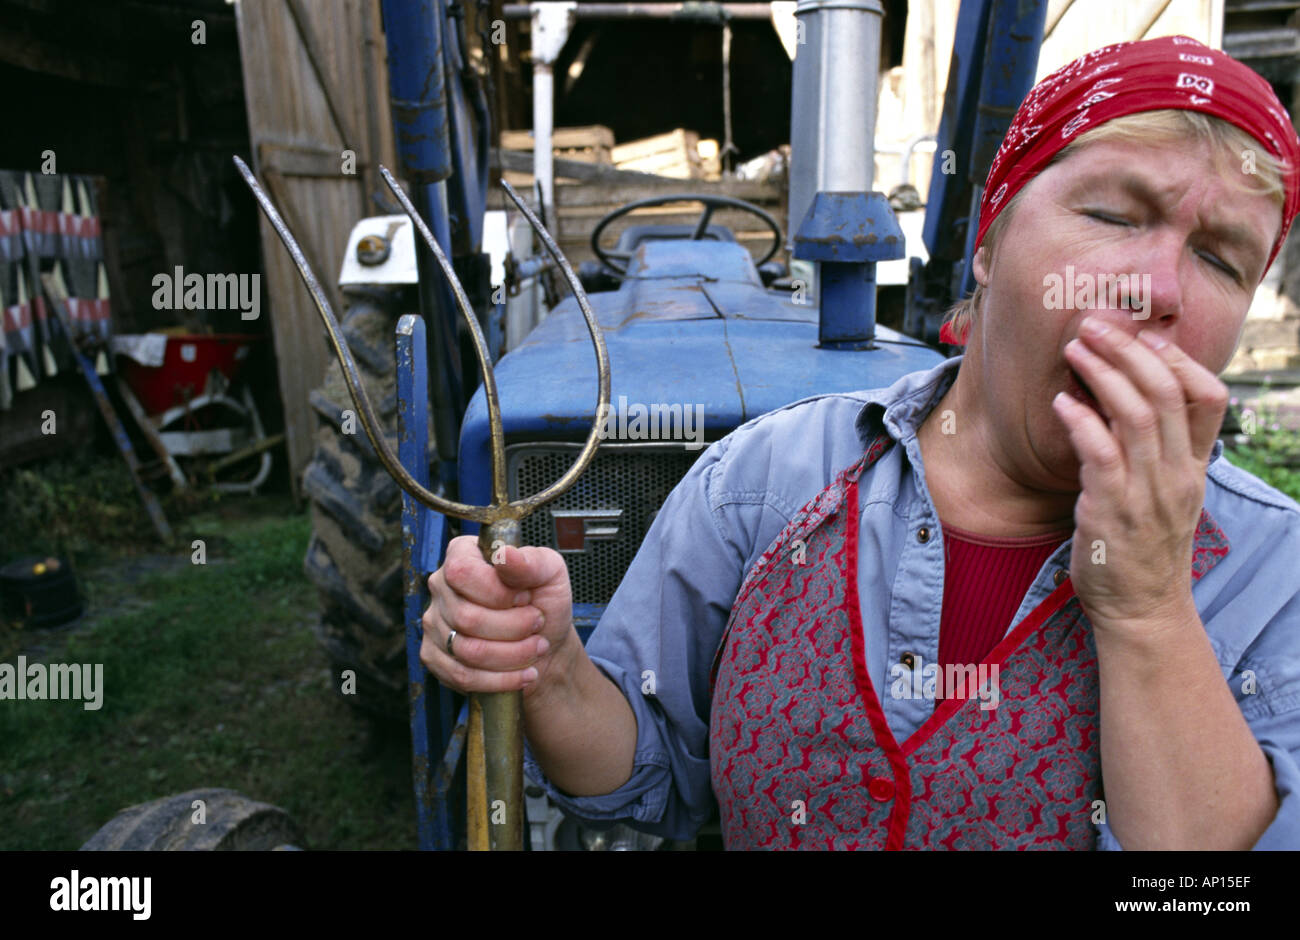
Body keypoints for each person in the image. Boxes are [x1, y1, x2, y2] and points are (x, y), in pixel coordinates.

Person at [421, 35, 1300, 849]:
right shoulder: (768, 479)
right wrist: (552, 669)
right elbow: (645, 775)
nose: (1156, 288)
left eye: (1222, 260)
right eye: (1111, 213)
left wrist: (1148, 606)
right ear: (988, 246)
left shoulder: (1276, 576)